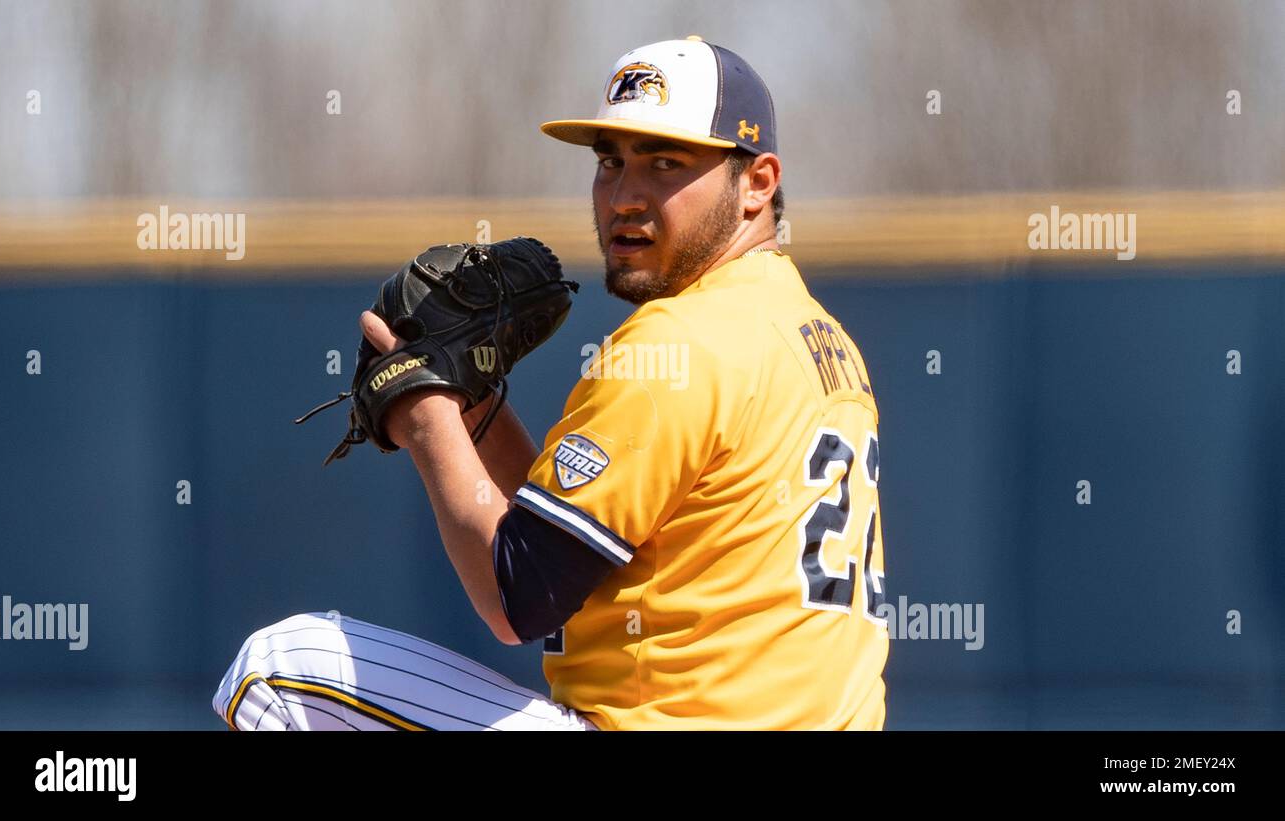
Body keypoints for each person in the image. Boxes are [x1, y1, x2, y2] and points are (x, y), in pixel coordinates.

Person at [213, 35, 888, 731]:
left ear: (758, 182)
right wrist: (469, 404)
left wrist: (423, 414)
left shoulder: (679, 343)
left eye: (665, 163)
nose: (625, 196)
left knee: (273, 669)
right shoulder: (819, 338)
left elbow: (519, 595)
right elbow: (562, 545)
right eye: (610, 163)